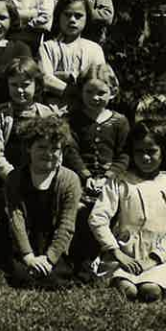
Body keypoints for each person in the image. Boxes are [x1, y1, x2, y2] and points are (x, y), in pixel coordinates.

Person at [89, 122, 166, 301]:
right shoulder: (119, 183)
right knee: (127, 290)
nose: (145, 157)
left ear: (163, 151)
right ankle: (122, 281)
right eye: (139, 151)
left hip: (158, 257)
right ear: (131, 152)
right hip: (123, 255)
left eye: (151, 151)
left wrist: (152, 260)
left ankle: (153, 283)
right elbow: (98, 218)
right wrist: (116, 252)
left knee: (151, 290)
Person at [61, 63, 131, 276]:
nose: (95, 98)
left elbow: (125, 154)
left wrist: (109, 176)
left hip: (112, 180)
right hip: (80, 177)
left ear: (113, 93)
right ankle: (81, 258)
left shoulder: (119, 121)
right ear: (81, 92)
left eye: (101, 92)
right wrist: (86, 175)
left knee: (112, 210)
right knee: (82, 210)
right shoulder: (72, 119)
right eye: (89, 92)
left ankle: (108, 256)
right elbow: (70, 151)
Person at [4, 116, 82, 288]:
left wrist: (50, 258)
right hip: (27, 240)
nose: (48, 154)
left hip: (55, 242)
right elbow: (15, 219)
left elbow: (66, 224)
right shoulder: (15, 178)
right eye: (41, 147)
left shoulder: (70, 179)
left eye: (55, 149)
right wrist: (28, 256)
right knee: (21, 276)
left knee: (55, 279)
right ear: (29, 148)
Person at [0, 56, 63, 172]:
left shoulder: (46, 114)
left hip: (42, 174)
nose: (19, 90)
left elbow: (56, 151)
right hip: (10, 176)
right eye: (14, 85)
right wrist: (11, 176)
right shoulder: (1, 115)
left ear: (36, 84)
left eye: (25, 85)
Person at [38, 0, 107, 105]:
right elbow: (45, 79)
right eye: (67, 14)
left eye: (78, 16)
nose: (72, 20)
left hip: (86, 107)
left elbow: (97, 80)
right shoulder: (48, 47)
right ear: (58, 16)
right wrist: (74, 88)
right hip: (53, 107)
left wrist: (58, 75)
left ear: (87, 18)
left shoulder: (95, 49)